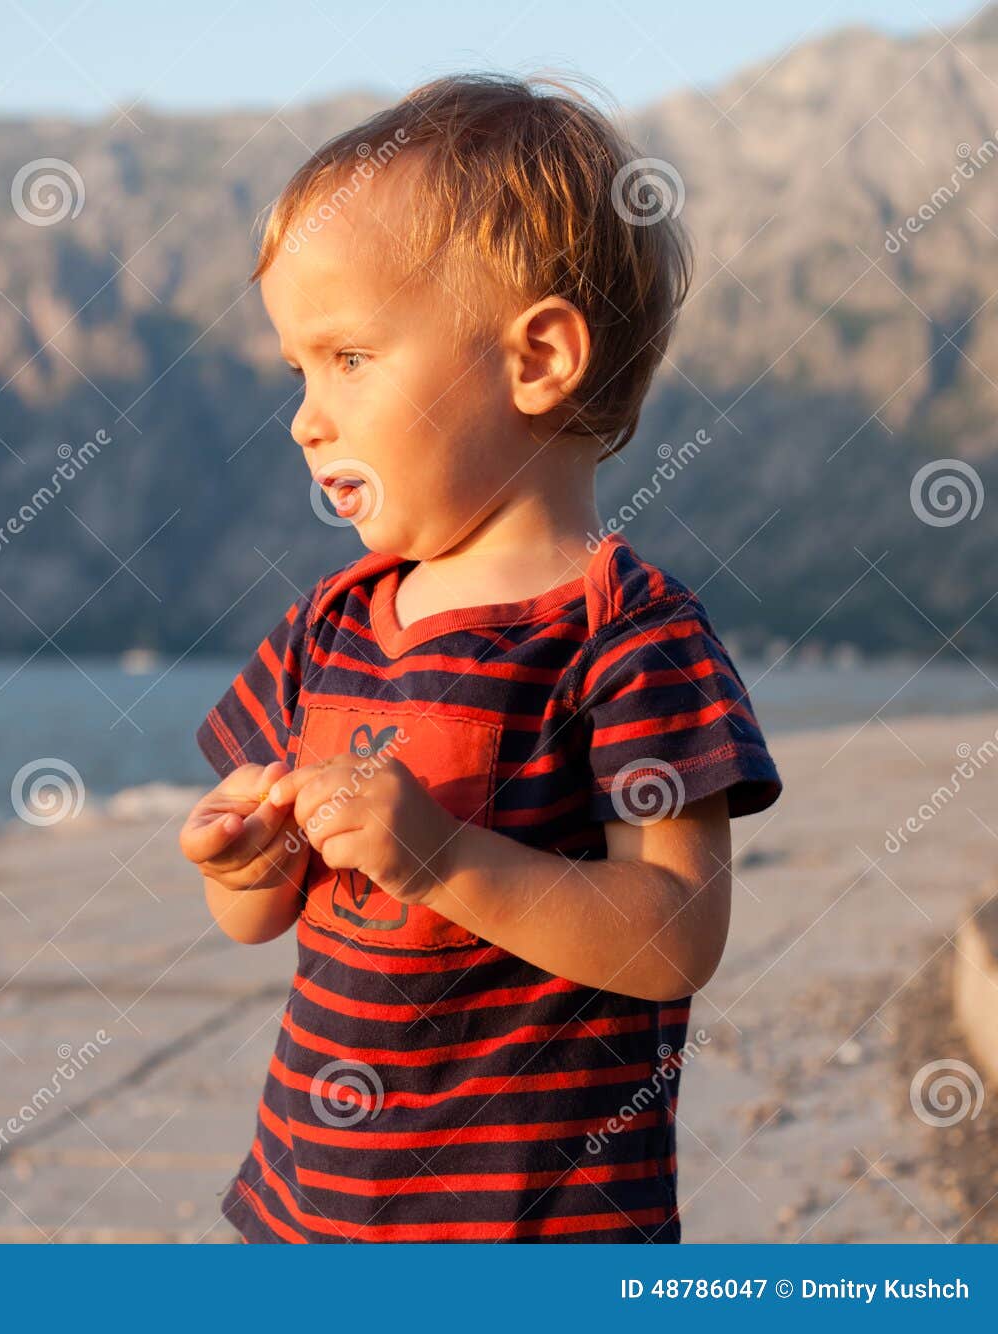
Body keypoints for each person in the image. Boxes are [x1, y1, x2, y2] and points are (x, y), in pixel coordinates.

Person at [180, 72, 783, 1243]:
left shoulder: (628, 633)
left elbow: (675, 937)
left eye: (347, 357)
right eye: (294, 371)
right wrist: (241, 857)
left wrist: (444, 856)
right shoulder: (330, 626)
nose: (306, 415)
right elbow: (254, 917)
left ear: (538, 357)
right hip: (311, 1210)